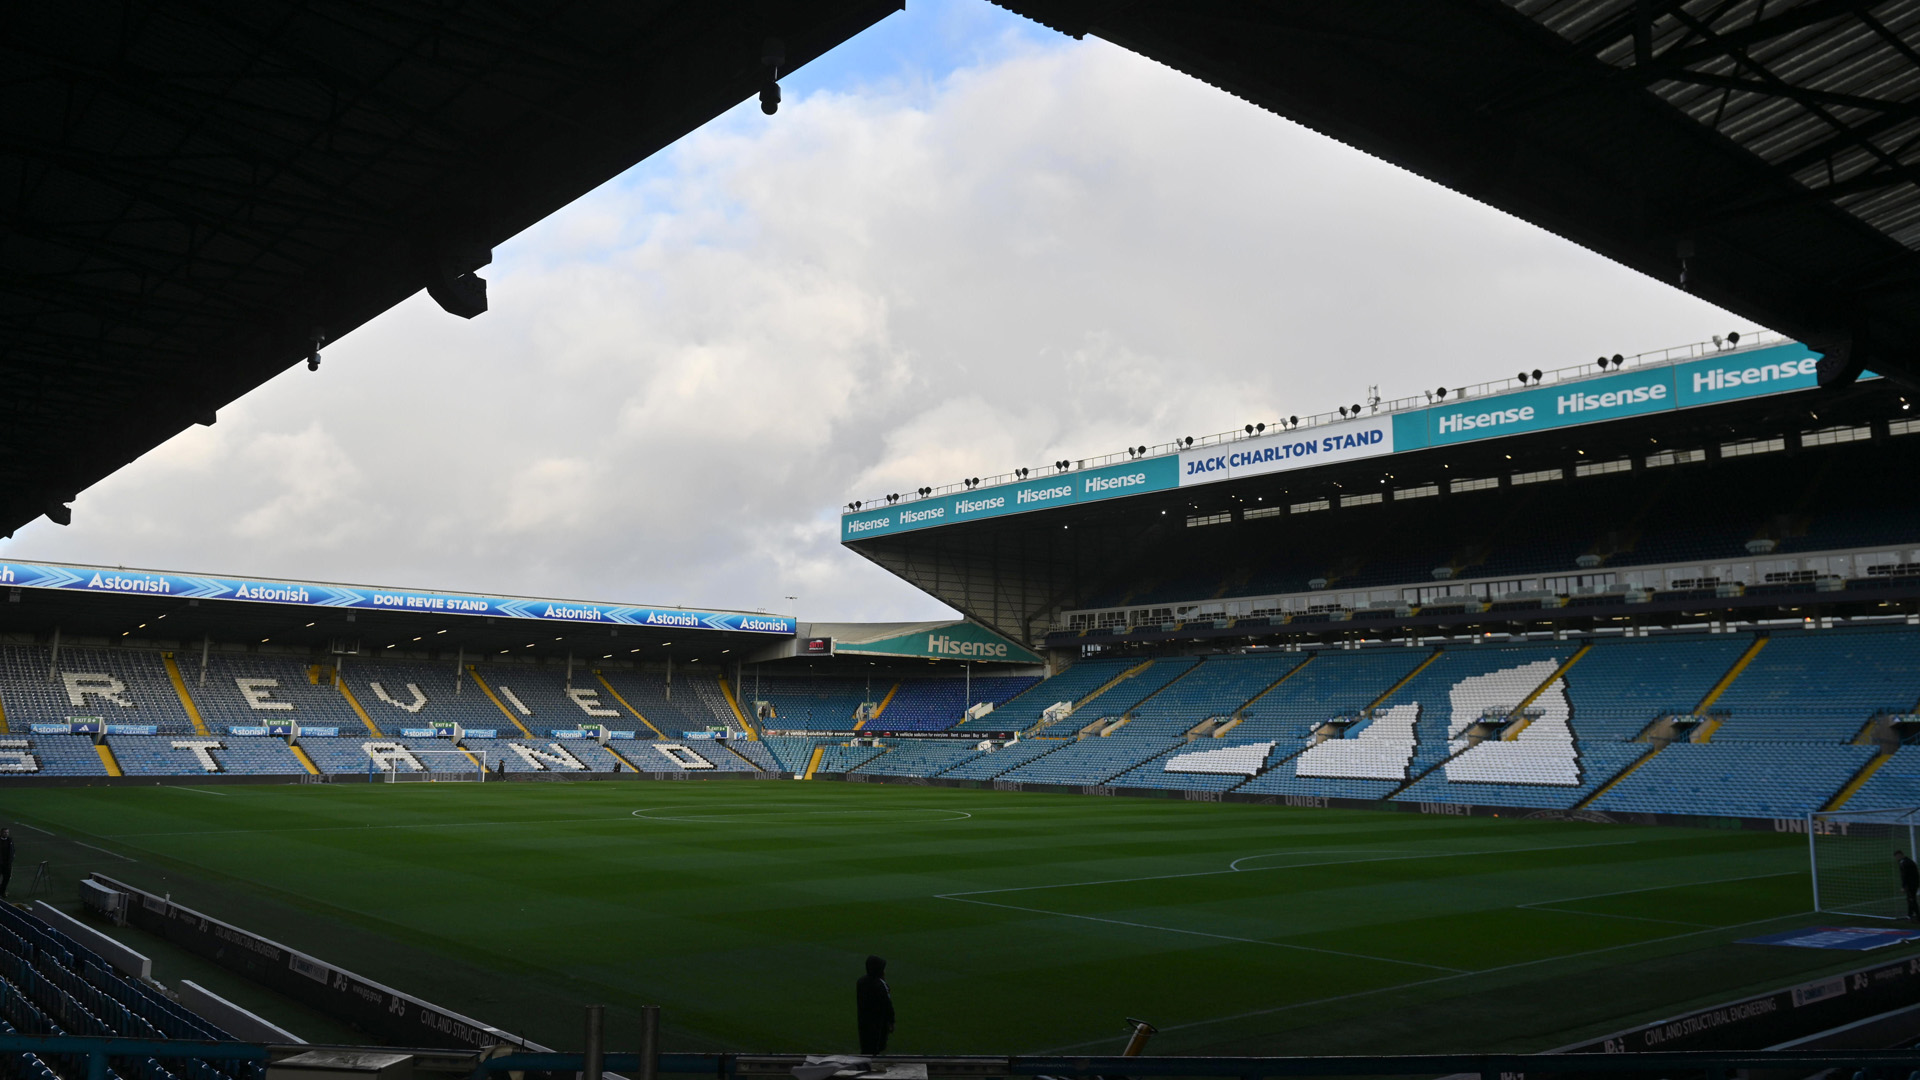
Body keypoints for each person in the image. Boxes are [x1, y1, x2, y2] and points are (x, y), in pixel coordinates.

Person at [855, 954, 894, 1055]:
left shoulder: (861, 982)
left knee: (866, 1047)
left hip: (864, 1020)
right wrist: (891, 1021)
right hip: (879, 1022)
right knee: (876, 1046)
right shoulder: (881, 985)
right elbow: (887, 1004)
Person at [1898, 849, 1919, 921]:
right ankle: (1910, 914)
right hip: (1914, 883)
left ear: (1900, 855)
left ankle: (1917, 915)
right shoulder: (1908, 861)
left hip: (1911, 884)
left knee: (1911, 899)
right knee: (1910, 899)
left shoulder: (1904, 862)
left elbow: (1905, 875)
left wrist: (1903, 886)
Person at [0, 828, 12, 899]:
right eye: (4, 832)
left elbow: (12, 850)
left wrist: (11, 859)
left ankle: (2, 892)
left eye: (7, 832)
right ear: (1, 833)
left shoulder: (10, 840)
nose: (6, 834)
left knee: (6, 878)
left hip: (7, 864)